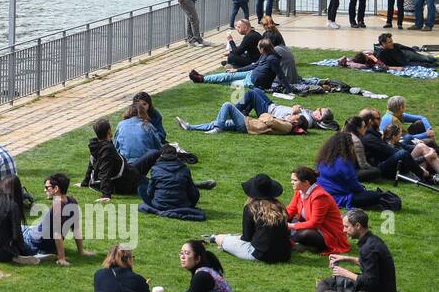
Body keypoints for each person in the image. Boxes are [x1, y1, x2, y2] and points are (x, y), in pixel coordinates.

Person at [290, 210, 411, 292]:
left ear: (357, 226)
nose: (343, 230)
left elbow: (370, 281)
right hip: (377, 289)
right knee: (326, 282)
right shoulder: (372, 241)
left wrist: (345, 273)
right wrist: (346, 258)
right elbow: (372, 265)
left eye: (346, 227)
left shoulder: (369, 248)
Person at [204, 174, 291, 263]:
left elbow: (247, 237)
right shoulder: (280, 207)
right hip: (284, 255)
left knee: (220, 238)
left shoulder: (251, 208)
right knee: (234, 237)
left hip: (260, 254)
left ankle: (214, 238)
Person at [175, 87, 335, 134]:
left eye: (296, 117)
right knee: (218, 121)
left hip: (248, 125)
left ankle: (219, 127)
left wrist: (269, 115)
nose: (294, 117)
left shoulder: (286, 126)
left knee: (227, 105)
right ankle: (190, 127)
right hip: (248, 123)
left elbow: (267, 119)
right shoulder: (288, 122)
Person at [21, 173, 97, 266]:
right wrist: (81, 251)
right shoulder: (72, 201)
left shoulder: (57, 205)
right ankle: (44, 252)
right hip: (46, 241)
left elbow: (58, 234)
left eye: (47, 187)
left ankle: (37, 253)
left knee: (11, 228)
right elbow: (76, 228)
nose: (44, 190)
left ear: (56, 189)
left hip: (34, 240)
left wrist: (62, 258)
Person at [314, 132, 395, 209]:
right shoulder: (344, 162)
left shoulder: (324, 159)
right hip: (336, 198)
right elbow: (354, 186)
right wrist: (363, 190)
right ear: (348, 146)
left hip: (320, 194)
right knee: (375, 196)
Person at [286, 165, 351, 254]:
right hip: (310, 226)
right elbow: (291, 209)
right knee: (285, 220)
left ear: (306, 182)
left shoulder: (319, 196)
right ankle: (300, 244)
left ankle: (286, 243)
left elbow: (315, 223)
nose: (291, 182)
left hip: (327, 233)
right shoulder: (299, 191)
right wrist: (281, 218)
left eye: (295, 180)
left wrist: (291, 226)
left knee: (305, 234)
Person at [138, 144, 209, 221]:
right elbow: (192, 192)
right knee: (194, 189)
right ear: (176, 155)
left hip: (160, 206)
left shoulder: (155, 169)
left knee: (141, 187)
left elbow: (150, 192)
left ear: (161, 155)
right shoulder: (184, 169)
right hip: (182, 205)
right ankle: (183, 208)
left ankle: (161, 210)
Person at [83, 118, 142, 199]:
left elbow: (91, 163)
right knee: (156, 186)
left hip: (129, 171)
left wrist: (85, 182)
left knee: (151, 154)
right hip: (128, 182)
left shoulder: (97, 145)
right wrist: (106, 194)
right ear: (109, 131)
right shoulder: (107, 149)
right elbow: (105, 171)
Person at [115, 101, 164, 177]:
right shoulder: (147, 125)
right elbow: (158, 147)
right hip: (141, 162)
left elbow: (117, 147)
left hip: (124, 164)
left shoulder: (121, 124)